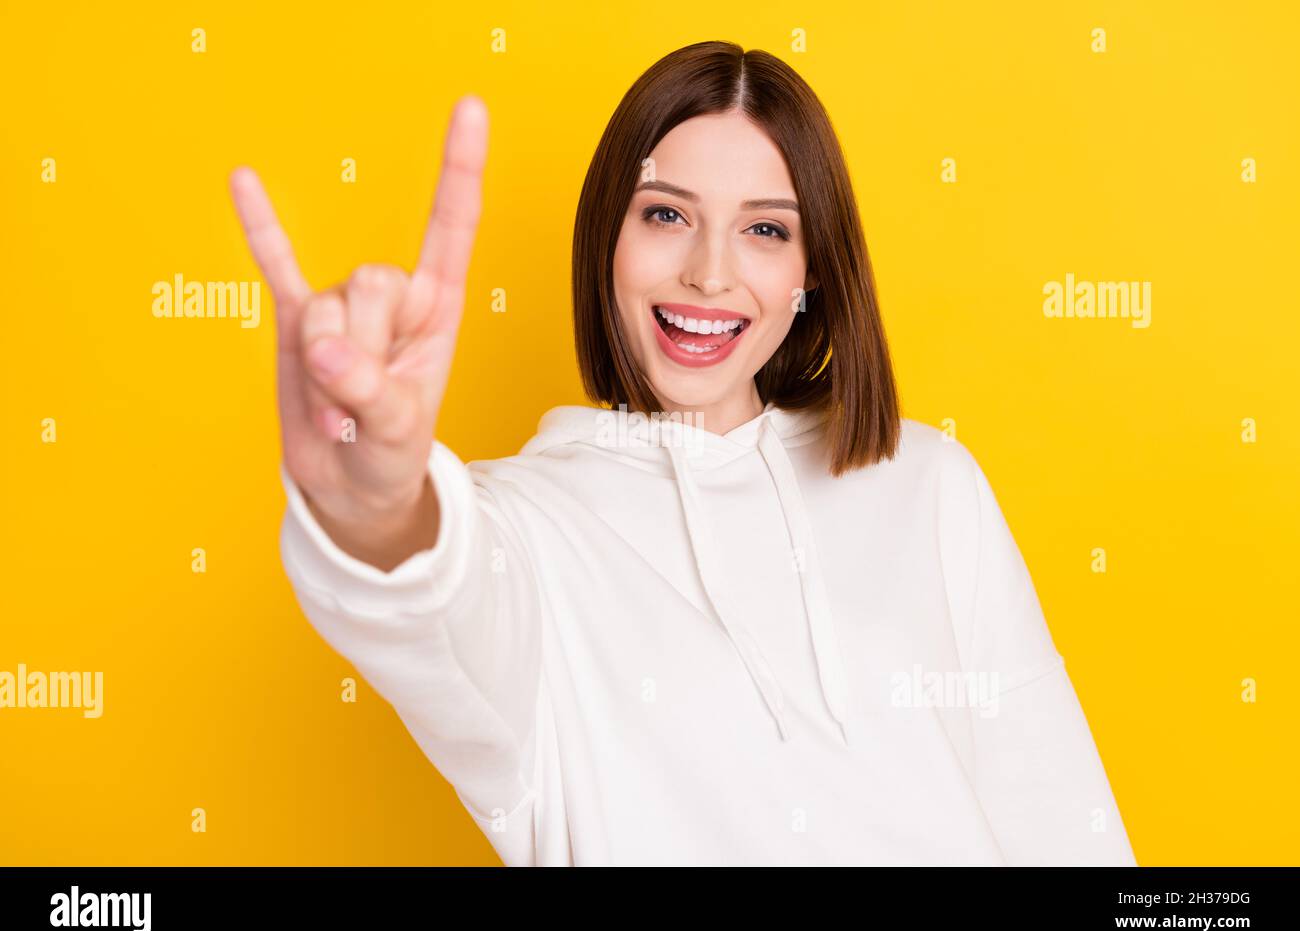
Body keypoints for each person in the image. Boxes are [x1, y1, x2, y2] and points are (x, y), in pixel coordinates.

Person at [229, 41, 1137, 866]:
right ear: (607, 240)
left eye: (765, 229)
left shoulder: (930, 484)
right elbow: (437, 602)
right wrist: (377, 500)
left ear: (811, 270)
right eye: (666, 215)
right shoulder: (522, 531)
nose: (710, 272)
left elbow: (1061, 819)